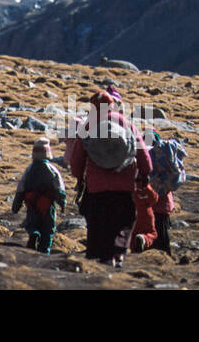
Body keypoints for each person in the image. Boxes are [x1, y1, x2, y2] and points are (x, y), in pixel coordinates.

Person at [67, 89, 152, 267]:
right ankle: (117, 256)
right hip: (124, 187)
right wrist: (145, 172)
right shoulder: (125, 122)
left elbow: (77, 157)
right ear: (112, 105)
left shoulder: (88, 125)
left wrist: (78, 177)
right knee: (122, 223)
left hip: (96, 188)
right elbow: (142, 152)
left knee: (98, 223)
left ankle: (98, 258)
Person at [11, 137, 66, 253]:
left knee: (32, 223)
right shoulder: (52, 169)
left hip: (32, 203)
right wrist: (62, 202)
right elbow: (59, 187)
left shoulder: (29, 169)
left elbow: (21, 188)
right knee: (48, 229)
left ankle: (34, 233)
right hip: (47, 204)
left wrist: (16, 204)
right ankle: (45, 250)